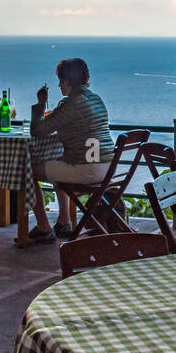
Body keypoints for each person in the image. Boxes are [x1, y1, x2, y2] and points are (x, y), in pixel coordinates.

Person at [26, 57, 115, 243]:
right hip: (107, 167)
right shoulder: (95, 99)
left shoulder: (72, 104)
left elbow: (38, 131)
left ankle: (43, 226)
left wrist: (41, 104)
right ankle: (64, 221)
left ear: (67, 81)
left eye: (60, 81)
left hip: (88, 170)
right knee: (60, 161)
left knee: (27, 170)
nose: (59, 85)